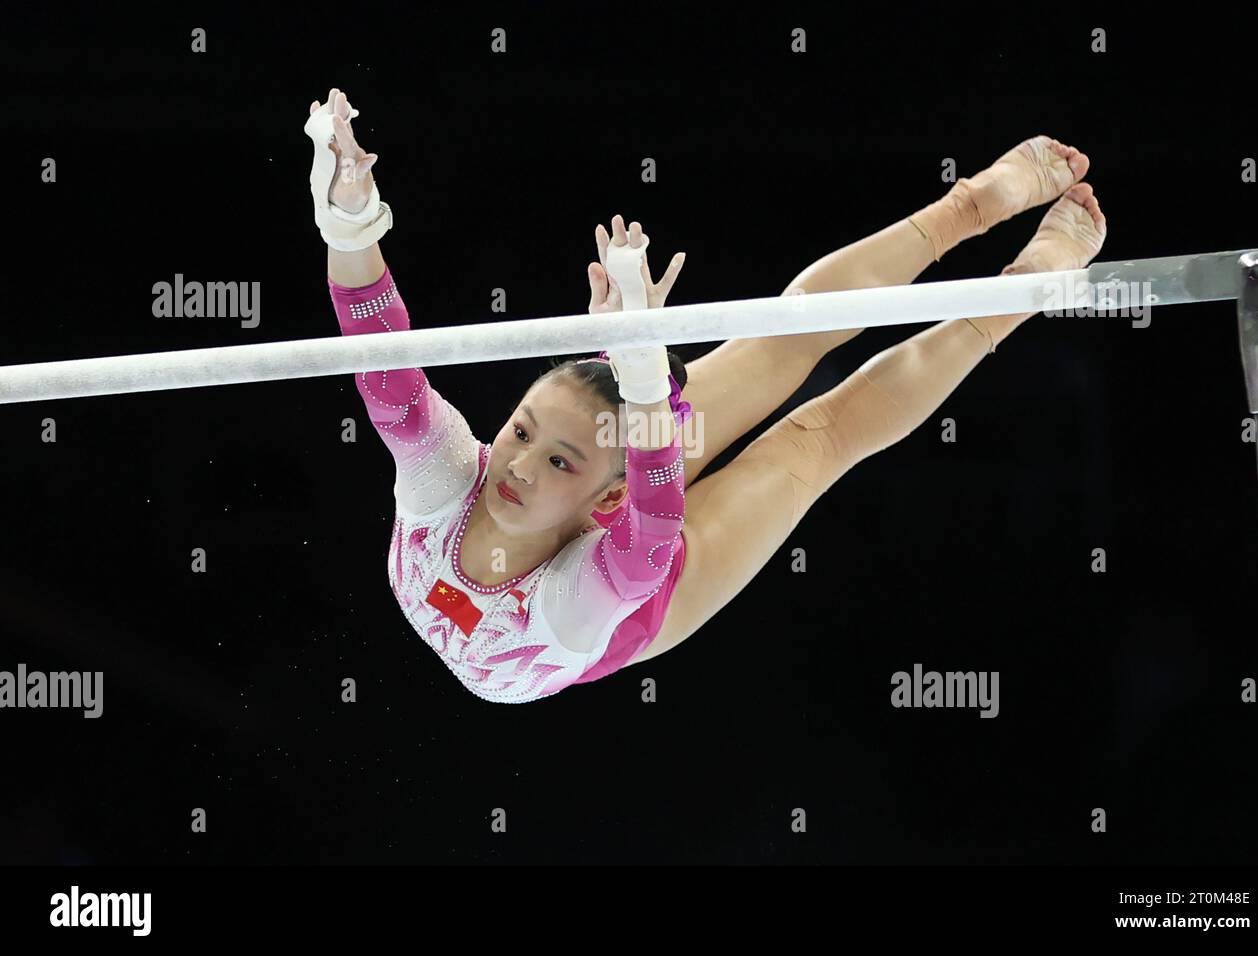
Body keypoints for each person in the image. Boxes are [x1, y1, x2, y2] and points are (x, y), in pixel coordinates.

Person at [307, 88, 1107, 704]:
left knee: (781, 336)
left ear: (606, 488)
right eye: (522, 437)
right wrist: (348, 216)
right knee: (817, 438)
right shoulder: (568, 596)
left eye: (554, 455)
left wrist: (351, 226)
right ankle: (1022, 290)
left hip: (630, 458)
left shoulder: (499, 486)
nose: (514, 466)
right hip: (640, 592)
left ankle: (968, 204)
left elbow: (385, 365)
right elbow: (653, 522)